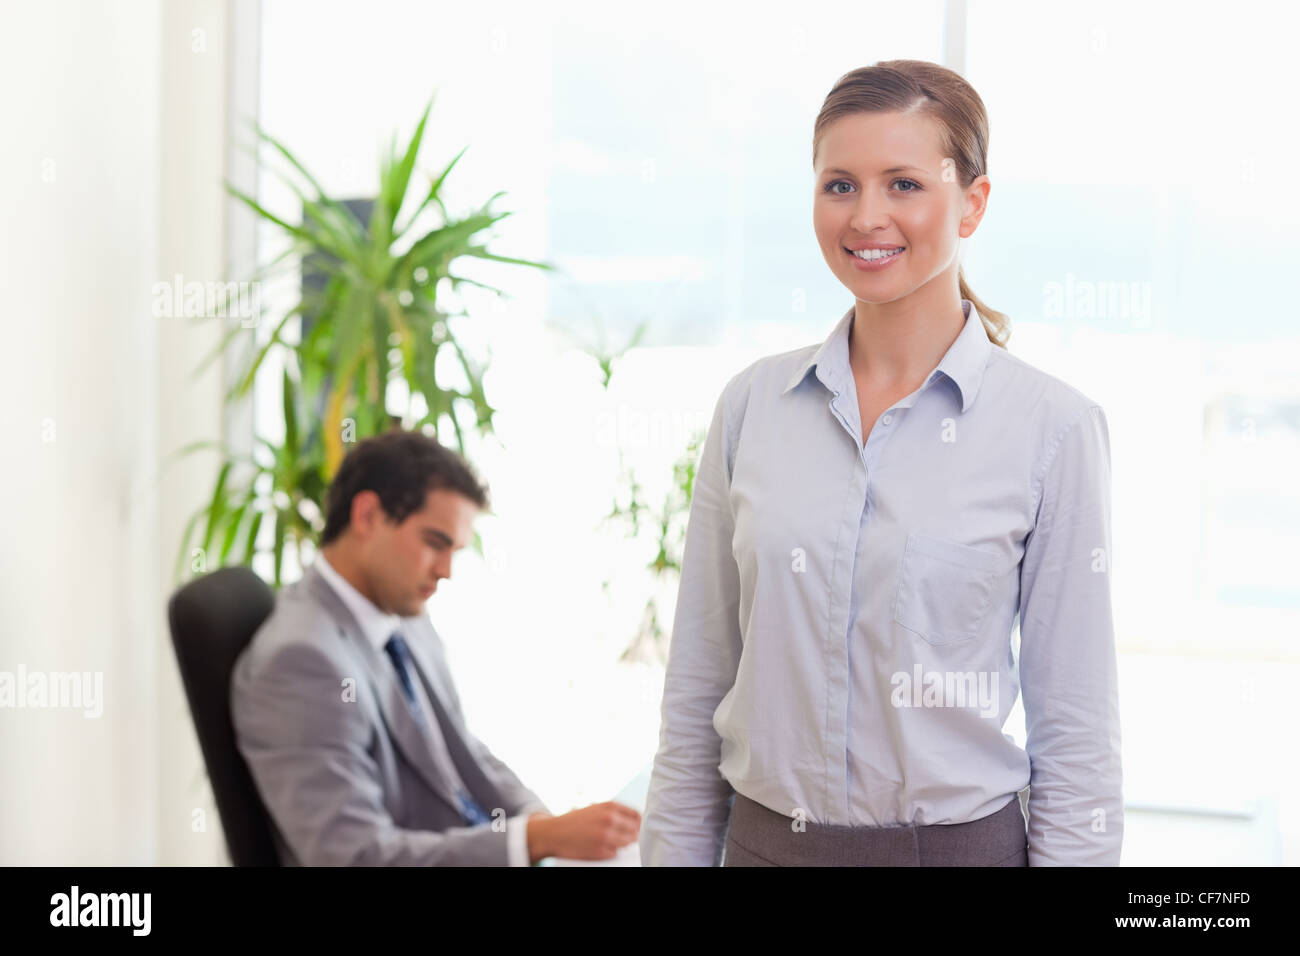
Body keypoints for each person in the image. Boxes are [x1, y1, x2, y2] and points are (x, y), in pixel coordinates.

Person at [640, 60, 1121, 866]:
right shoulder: (753, 406)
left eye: (904, 184)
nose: (867, 217)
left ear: (972, 203)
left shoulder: (1054, 430)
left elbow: (1077, 738)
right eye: (840, 185)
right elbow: (696, 694)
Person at [231, 429, 641, 865]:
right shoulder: (301, 662)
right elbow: (354, 857)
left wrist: (537, 821)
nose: (446, 571)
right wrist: (532, 841)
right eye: (434, 543)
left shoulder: (399, 612)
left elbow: (462, 750)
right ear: (367, 515)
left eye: (455, 551)